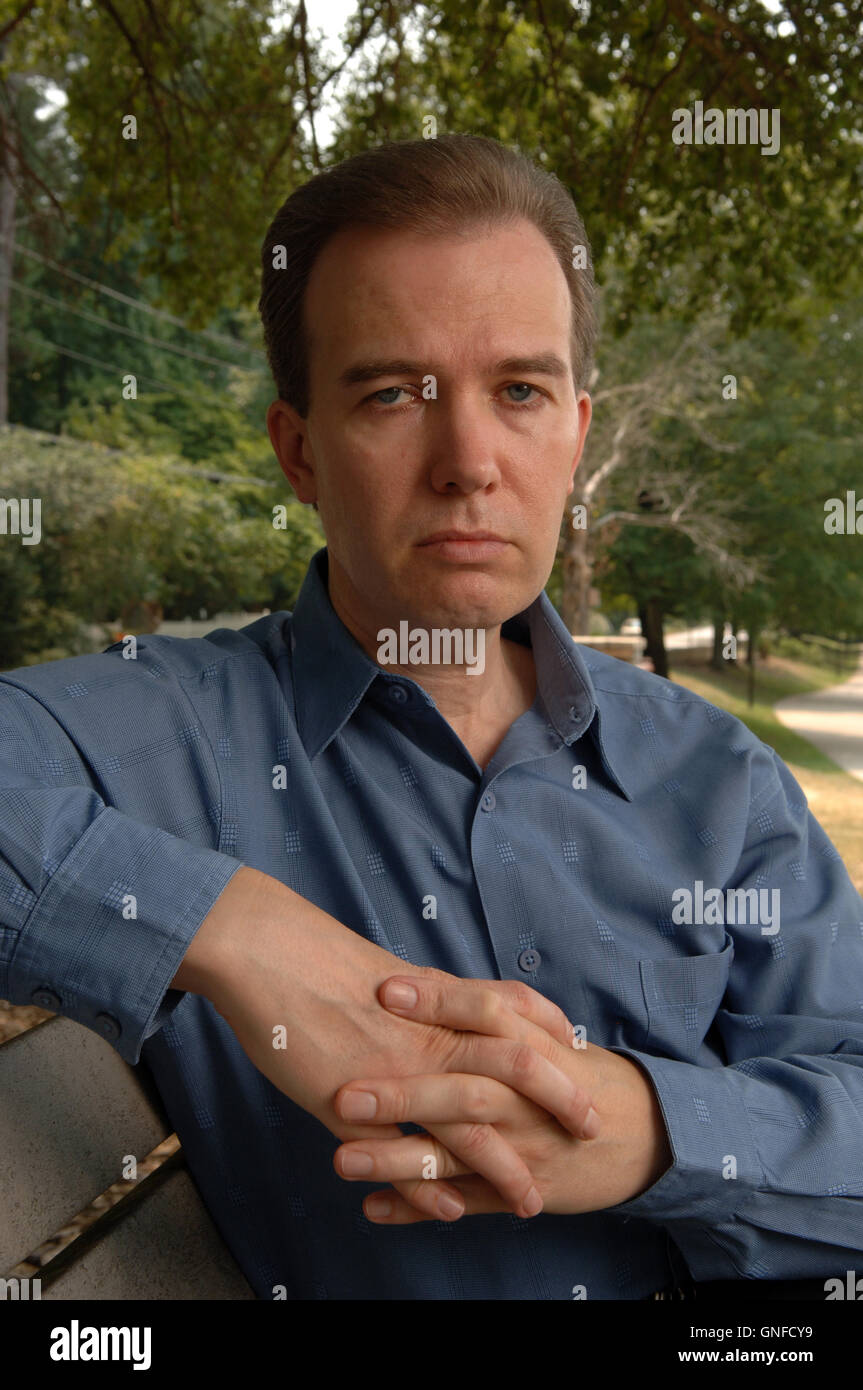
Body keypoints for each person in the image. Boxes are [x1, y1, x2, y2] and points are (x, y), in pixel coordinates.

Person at [2, 134, 861, 1301]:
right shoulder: (161, 733)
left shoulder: (716, 776)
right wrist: (248, 933)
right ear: (299, 452)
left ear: (573, 429)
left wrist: (652, 1129)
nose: (467, 461)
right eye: (392, 392)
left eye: (518, 390)